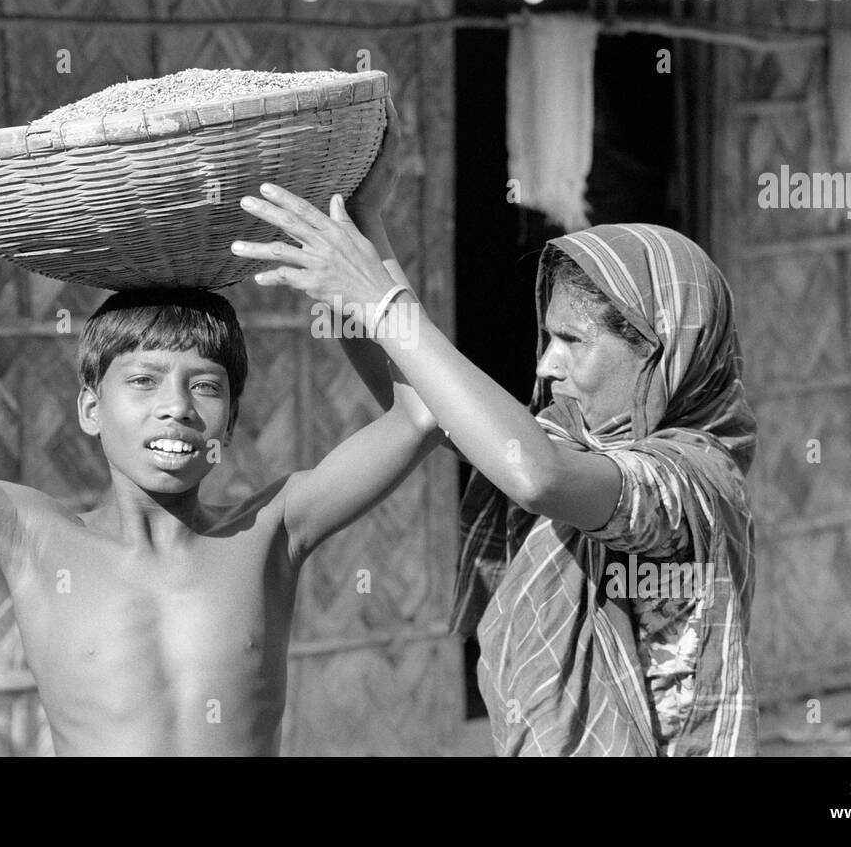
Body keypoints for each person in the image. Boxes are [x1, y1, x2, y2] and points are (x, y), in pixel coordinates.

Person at [0, 119, 440, 756]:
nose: (176, 409)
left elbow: (422, 412)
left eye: (206, 386)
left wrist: (366, 228)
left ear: (233, 416)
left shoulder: (273, 530)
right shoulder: (29, 536)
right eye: (143, 380)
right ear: (90, 407)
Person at [232, 175, 759, 756]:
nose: (547, 367)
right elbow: (429, 409)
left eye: (572, 341)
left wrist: (381, 303)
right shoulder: (574, 441)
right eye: (548, 338)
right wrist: (363, 216)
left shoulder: (692, 483)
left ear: (658, 351)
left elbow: (536, 477)